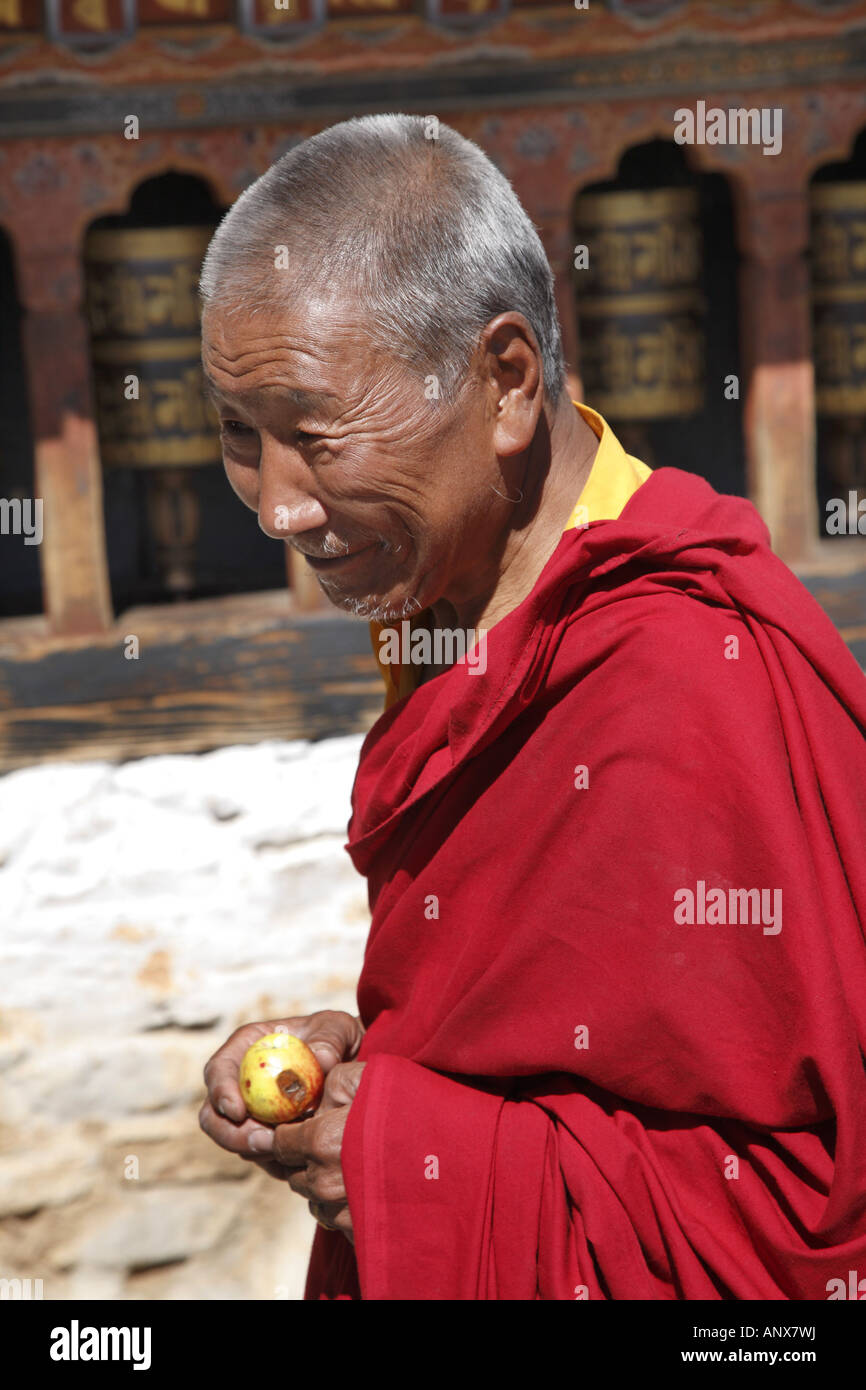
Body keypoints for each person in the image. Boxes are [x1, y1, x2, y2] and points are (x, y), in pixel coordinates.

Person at [198, 113, 866, 1300]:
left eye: (313, 433)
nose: (276, 506)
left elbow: (790, 1227)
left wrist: (403, 1157)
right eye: (238, 435)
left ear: (505, 383)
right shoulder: (458, 611)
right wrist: (382, 1073)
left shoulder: (680, 677)